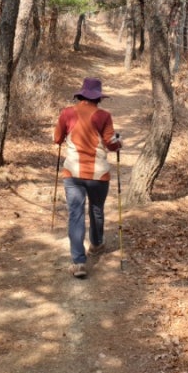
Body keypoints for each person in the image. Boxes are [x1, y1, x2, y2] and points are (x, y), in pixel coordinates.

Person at [53, 77, 122, 278]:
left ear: (81, 94)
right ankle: (97, 244)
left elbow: (57, 139)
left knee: (76, 214)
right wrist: (119, 143)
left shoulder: (67, 113)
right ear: (98, 98)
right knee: (96, 209)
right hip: (98, 174)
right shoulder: (104, 116)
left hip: (73, 173)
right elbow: (111, 143)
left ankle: (78, 262)